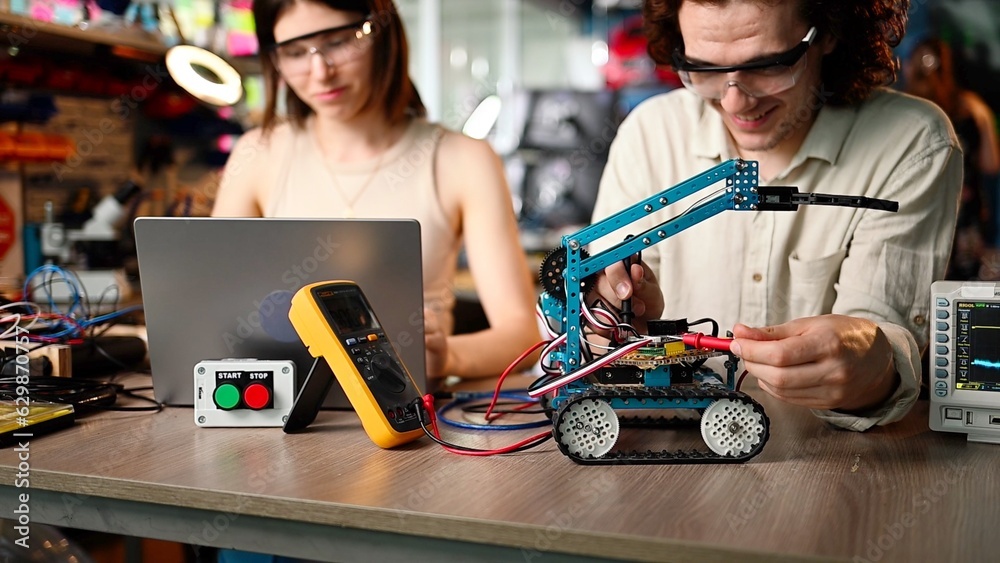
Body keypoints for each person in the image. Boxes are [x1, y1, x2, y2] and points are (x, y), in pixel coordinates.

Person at [590, 0, 963, 431]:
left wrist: (868, 367)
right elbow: (600, 304)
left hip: (831, 470)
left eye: (766, 65)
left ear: (828, 34)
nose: (736, 101)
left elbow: (883, 341)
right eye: (704, 68)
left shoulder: (911, 143)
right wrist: (613, 317)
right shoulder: (649, 135)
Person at [212, 0, 539, 384]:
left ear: (384, 35)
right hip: (280, 405)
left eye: (337, 43)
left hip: (407, 403)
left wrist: (449, 357)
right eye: (295, 52)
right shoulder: (257, 154)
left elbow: (523, 334)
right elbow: (215, 309)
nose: (320, 72)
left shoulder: (464, 159)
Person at [903, 37, 1000, 280]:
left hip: (919, 217)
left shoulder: (904, 109)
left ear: (910, 67)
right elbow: (991, 164)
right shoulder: (972, 107)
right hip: (966, 219)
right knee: (964, 296)